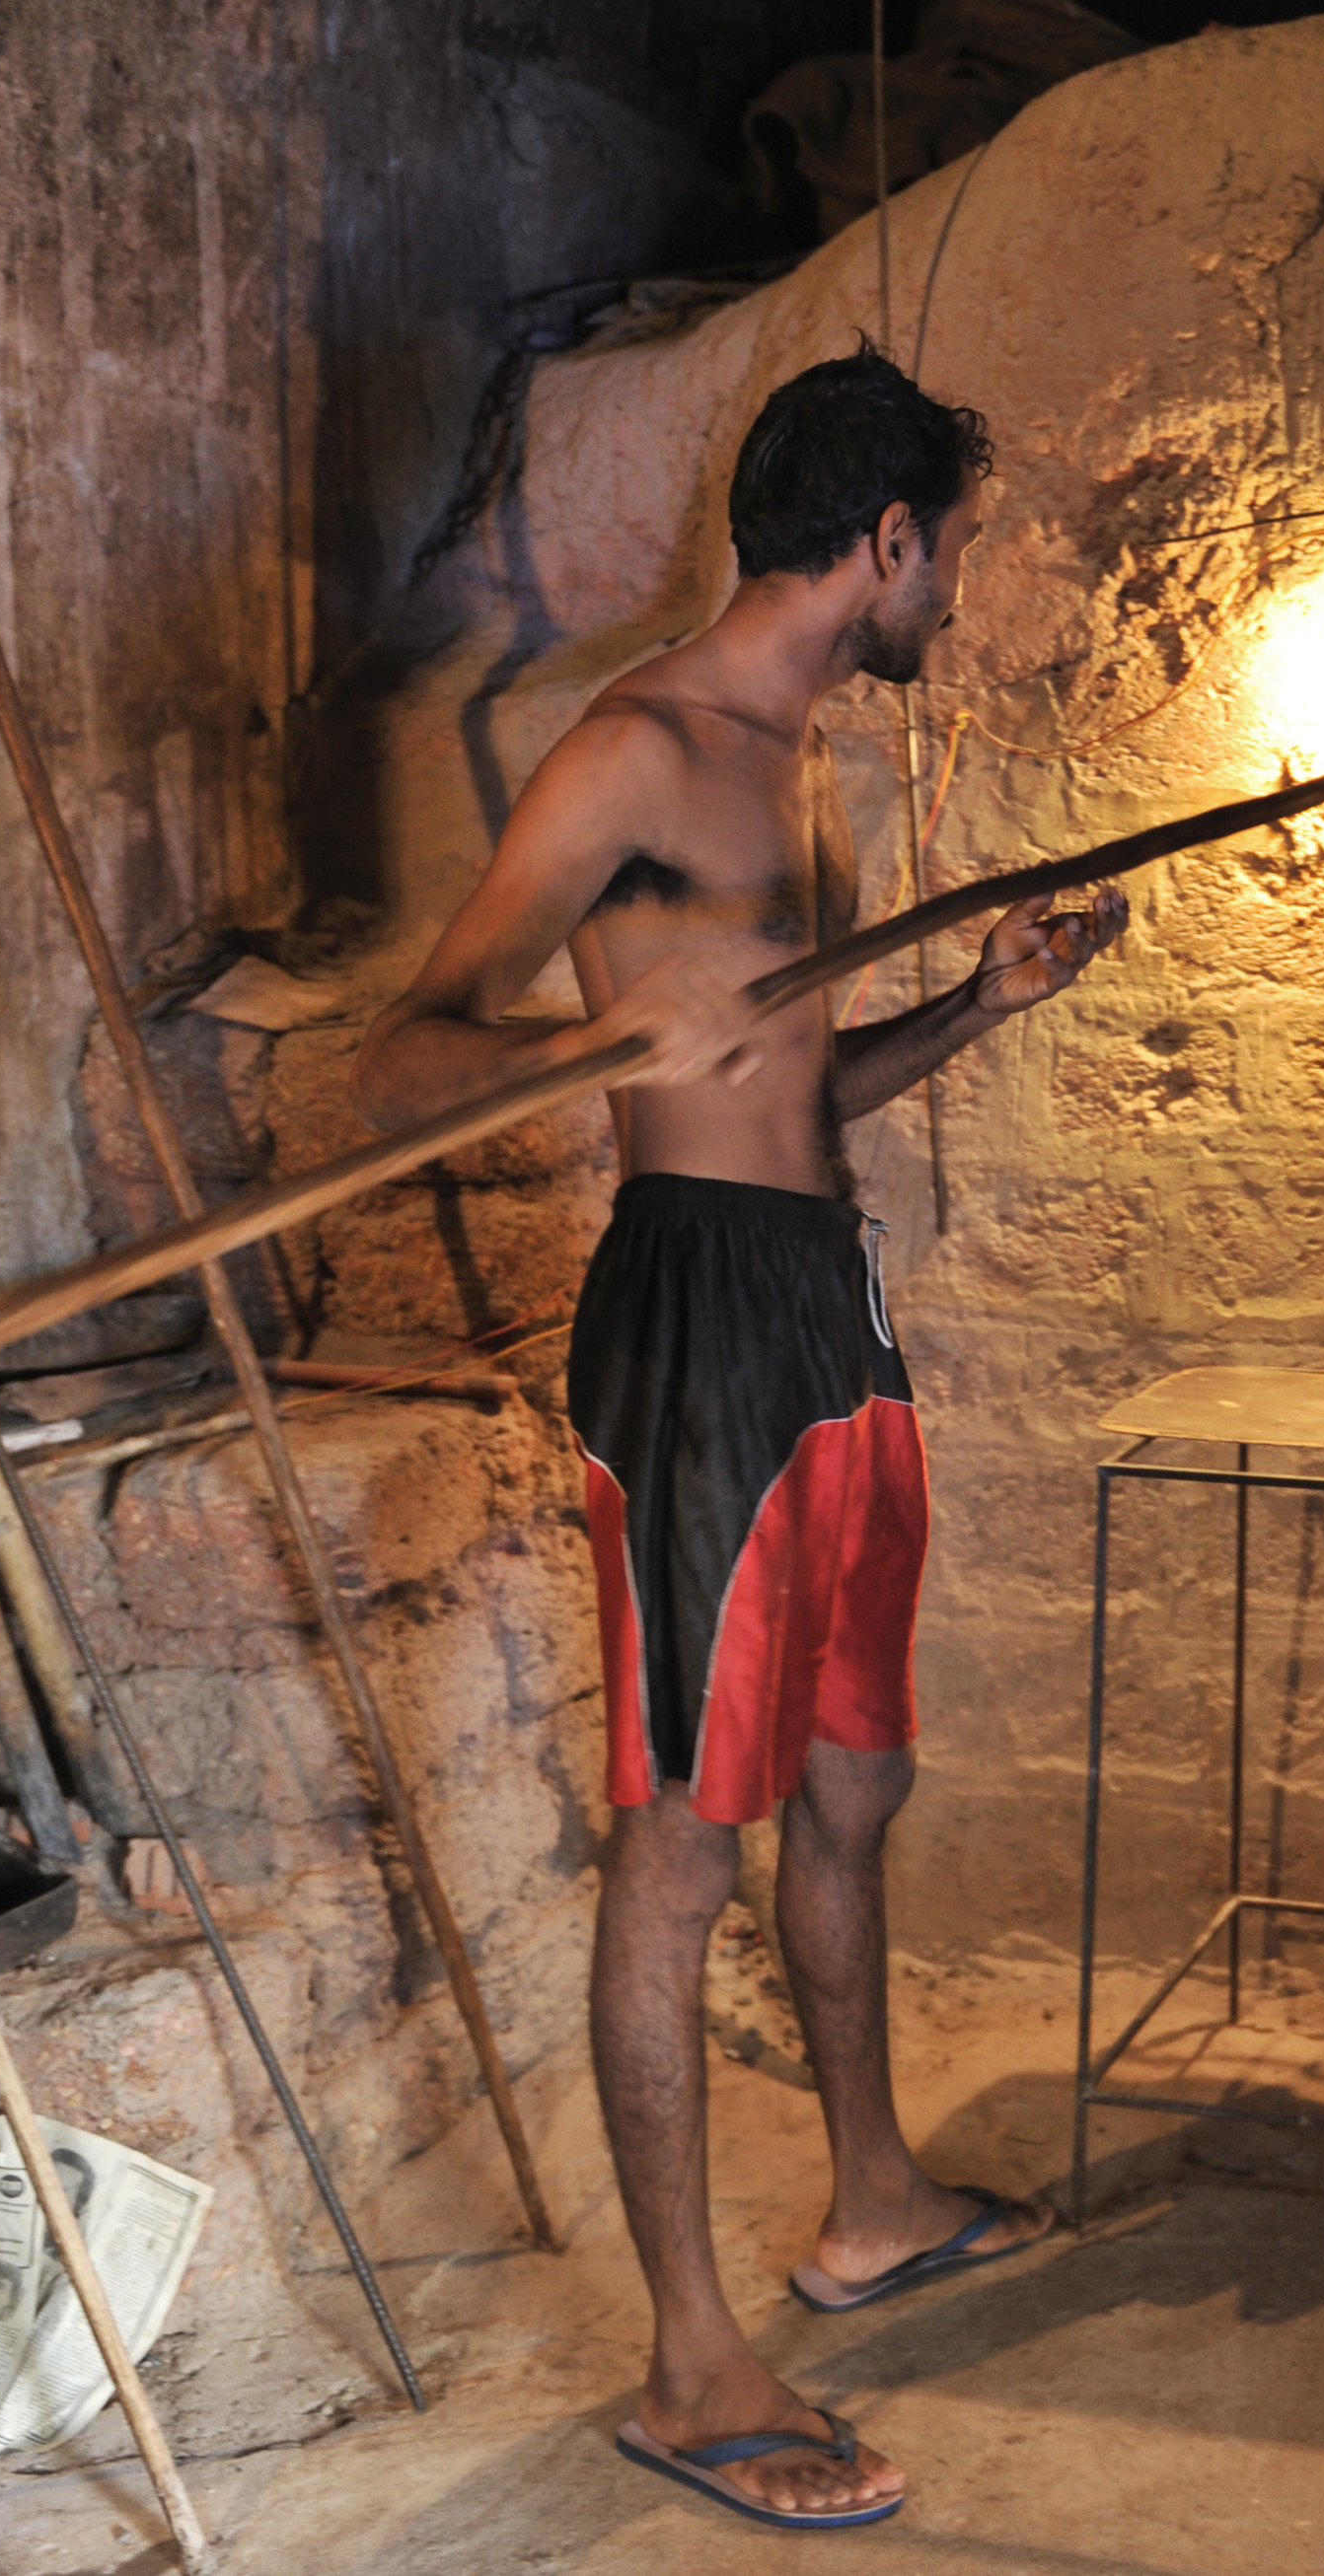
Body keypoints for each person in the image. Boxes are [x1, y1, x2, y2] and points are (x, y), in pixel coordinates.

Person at [354, 345, 1127, 2527]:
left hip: (828, 1304)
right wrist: (593, 1047)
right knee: (685, 1840)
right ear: (881, 543)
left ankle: (870, 2198)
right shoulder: (629, 757)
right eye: (948, 552)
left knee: (858, 1778)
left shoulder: (807, 781)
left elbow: (789, 1098)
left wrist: (974, 1011)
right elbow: (404, 1062)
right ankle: (695, 2367)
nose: (952, 594)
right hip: (693, 1321)